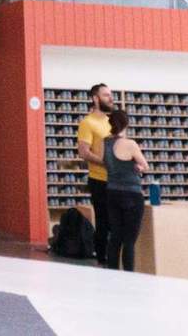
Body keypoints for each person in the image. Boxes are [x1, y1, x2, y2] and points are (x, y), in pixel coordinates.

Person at [103, 108, 149, 272]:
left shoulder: (106, 143)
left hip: (112, 193)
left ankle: (112, 274)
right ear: (126, 124)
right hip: (131, 195)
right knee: (129, 241)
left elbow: (107, 163)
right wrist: (137, 166)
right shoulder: (130, 144)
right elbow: (145, 165)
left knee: (115, 237)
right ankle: (129, 277)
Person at [76, 82, 114, 266]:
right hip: (99, 180)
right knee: (104, 221)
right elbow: (84, 152)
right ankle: (102, 259)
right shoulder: (87, 123)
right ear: (95, 98)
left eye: (110, 94)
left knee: (117, 222)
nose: (110, 98)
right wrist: (107, 163)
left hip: (117, 180)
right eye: (106, 95)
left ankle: (114, 257)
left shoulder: (111, 122)